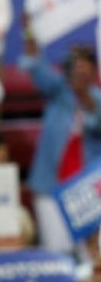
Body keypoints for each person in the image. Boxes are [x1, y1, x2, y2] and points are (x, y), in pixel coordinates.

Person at [20, 34, 101, 254]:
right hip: (50, 187)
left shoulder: (98, 98)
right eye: (73, 65)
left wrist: (83, 94)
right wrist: (29, 33)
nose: (78, 70)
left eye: (84, 64)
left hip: (87, 193)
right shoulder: (58, 93)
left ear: (94, 70)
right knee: (57, 254)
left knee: (91, 256)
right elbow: (37, 69)